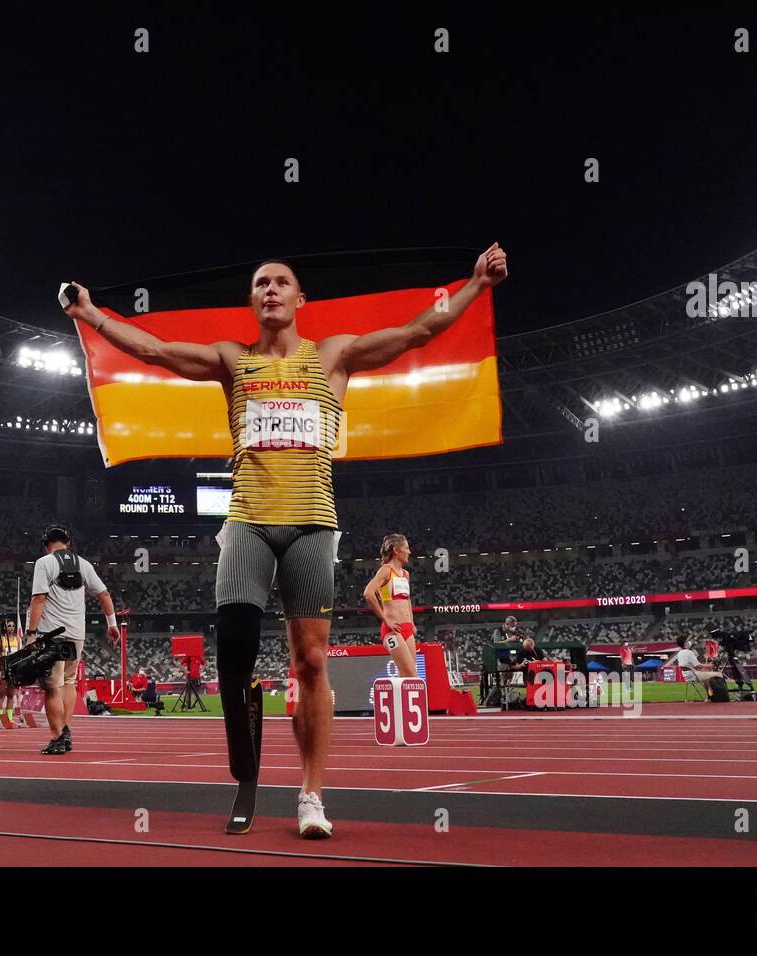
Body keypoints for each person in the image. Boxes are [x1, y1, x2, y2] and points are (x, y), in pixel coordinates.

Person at [60, 242, 508, 838]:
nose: (270, 289)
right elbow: (156, 350)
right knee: (234, 648)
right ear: (252, 301)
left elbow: (416, 332)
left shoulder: (333, 356)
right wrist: (91, 313)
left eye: (281, 282)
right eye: (261, 283)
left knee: (312, 661)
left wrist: (476, 284)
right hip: (246, 520)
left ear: (300, 299)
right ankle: (246, 771)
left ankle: (311, 795)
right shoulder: (232, 360)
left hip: (312, 524)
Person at [27, 526, 118, 755]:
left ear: (46, 545)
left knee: (52, 687)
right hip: (77, 635)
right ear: (68, 543)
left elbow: (39, 599)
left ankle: (57, 737)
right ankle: (66, 731)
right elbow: (104, 594)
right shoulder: (84, 564)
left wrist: (31, 633)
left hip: (51, 635)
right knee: (69, 682)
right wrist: (112, 625)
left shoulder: (44, 563)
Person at [363, 533, 417, 678]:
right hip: (393, 630)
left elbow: (407, 599)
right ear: (396, 550)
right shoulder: (386, 570)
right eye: (406, 548)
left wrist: (412, 623)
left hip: (407, 628)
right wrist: (385, 619)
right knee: (410, 674)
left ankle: (398, 694)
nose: (409, 552)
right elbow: (368, 593)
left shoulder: (405, 574)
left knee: (407, 676)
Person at [0, 619, 25, 728]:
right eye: (9, 626)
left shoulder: (17, 639)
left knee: (11, 694)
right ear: (5, 627)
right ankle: (1, 720)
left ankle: (9, 720)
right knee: (1, 694)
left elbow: (20, 655)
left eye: (13, 626)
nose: (11, 627)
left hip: (14, 669)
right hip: (3, 668)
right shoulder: (0, 639)